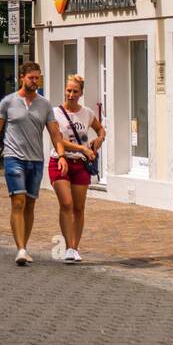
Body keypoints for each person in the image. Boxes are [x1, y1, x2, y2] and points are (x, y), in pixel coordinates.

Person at [0, 61, 69, 266]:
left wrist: (61, 155)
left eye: (37, 78)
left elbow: (55, 134)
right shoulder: (8, 102)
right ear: (22, 78)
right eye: (31, 78)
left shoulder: (44, 104)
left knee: (30, 204)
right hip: (13, 158)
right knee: (18, 201)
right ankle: (20, 248)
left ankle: (24, 246)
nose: (35, 81)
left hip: (36, 160)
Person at [50, 74, 105, 263]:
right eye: (68, 90)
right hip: (59, 161)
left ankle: (74, 247)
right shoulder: (55, 113)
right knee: (66, 203)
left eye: (75, 91)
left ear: (81, 93)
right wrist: (82, 148)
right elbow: (58, 139)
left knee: (79, 208)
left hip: (80, 164)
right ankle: (67, 246)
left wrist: (98, 140)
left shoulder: (87, 113)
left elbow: (100, 129)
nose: (70, 94)